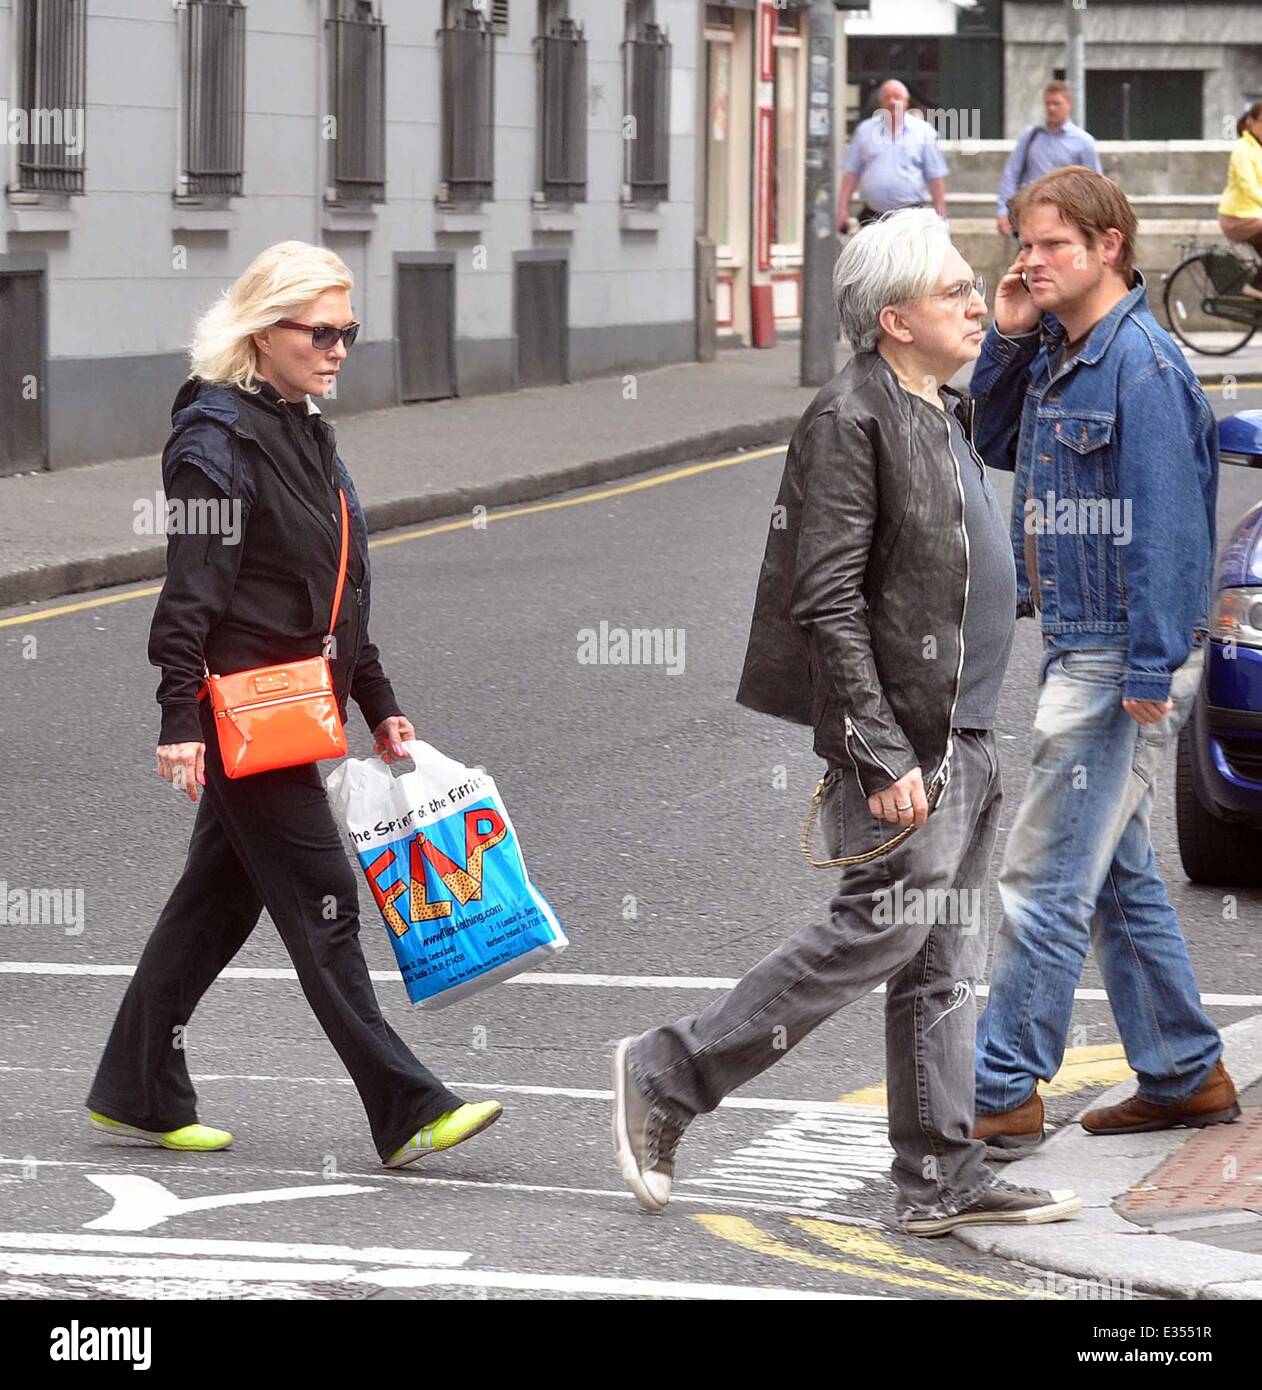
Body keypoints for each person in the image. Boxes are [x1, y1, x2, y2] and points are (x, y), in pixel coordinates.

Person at [612, 209, 1082, 1238]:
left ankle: (939, 1175)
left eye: (975, 283)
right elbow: (822, 599)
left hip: (964, 733)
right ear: (889, 316)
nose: (975, 296)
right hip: (907, 738)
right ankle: (669, 1069)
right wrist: (875, 749)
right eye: (951, 288)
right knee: (880, 929)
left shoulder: (933, 404)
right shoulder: (850, 418)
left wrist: (997, 328)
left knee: (940, 962)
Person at [85, 241, 502, 1168]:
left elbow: (335, 583)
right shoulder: (212, 445)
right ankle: (406, 1107)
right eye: (320, 330)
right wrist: (177, 720)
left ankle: (135, 1088)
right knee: (325, 902)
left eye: (347, 331)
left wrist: (378, 700)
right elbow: (189, 594)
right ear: (260, 330)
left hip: (298, 704)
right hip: (245, 717)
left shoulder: (301, 424)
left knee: (215, 905)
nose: (339, 347)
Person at [969, 168, 1239, 1158]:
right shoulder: (1052, 354)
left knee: (1040, 882)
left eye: (1046, 246)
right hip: (1074, 643)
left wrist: (1145, 678)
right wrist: (1003, 335)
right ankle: (1182, 1072)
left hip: (1111, 659)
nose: (1027, 261)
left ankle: (997, 1089)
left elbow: (1170, 536)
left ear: (1105, 249)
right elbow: (988, 439)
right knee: (1113, 880)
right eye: (1022, 244)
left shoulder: (1143, 370)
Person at [837, 80, 949, 234]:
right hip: (873, 216)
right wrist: (842, 209)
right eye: (887, 97)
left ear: (906, 102)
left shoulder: (924, 132)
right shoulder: (865, 131)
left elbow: (935, 176)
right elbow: (851, 173)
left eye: (897, 97)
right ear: (881, 102)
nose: (892, 101)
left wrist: (940, 212)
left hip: (910, 215)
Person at [996, 80, 1101, 239]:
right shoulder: (1031, 136)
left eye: (1056, 103)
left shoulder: (1083, 142)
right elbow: (1011, 173)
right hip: (1032, 214)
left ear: (1069, 104)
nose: (1051, 108)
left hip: (1067, 217)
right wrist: (1004, 211)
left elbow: (1094, 184)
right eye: (1048, 104)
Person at [1217, 100, 1262, 300]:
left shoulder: (1257, 148)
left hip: (1253, 215)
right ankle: (1256, 286)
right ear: (1251, 122)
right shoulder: (1243, 149)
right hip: (1237, 218)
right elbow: (1248, 186)